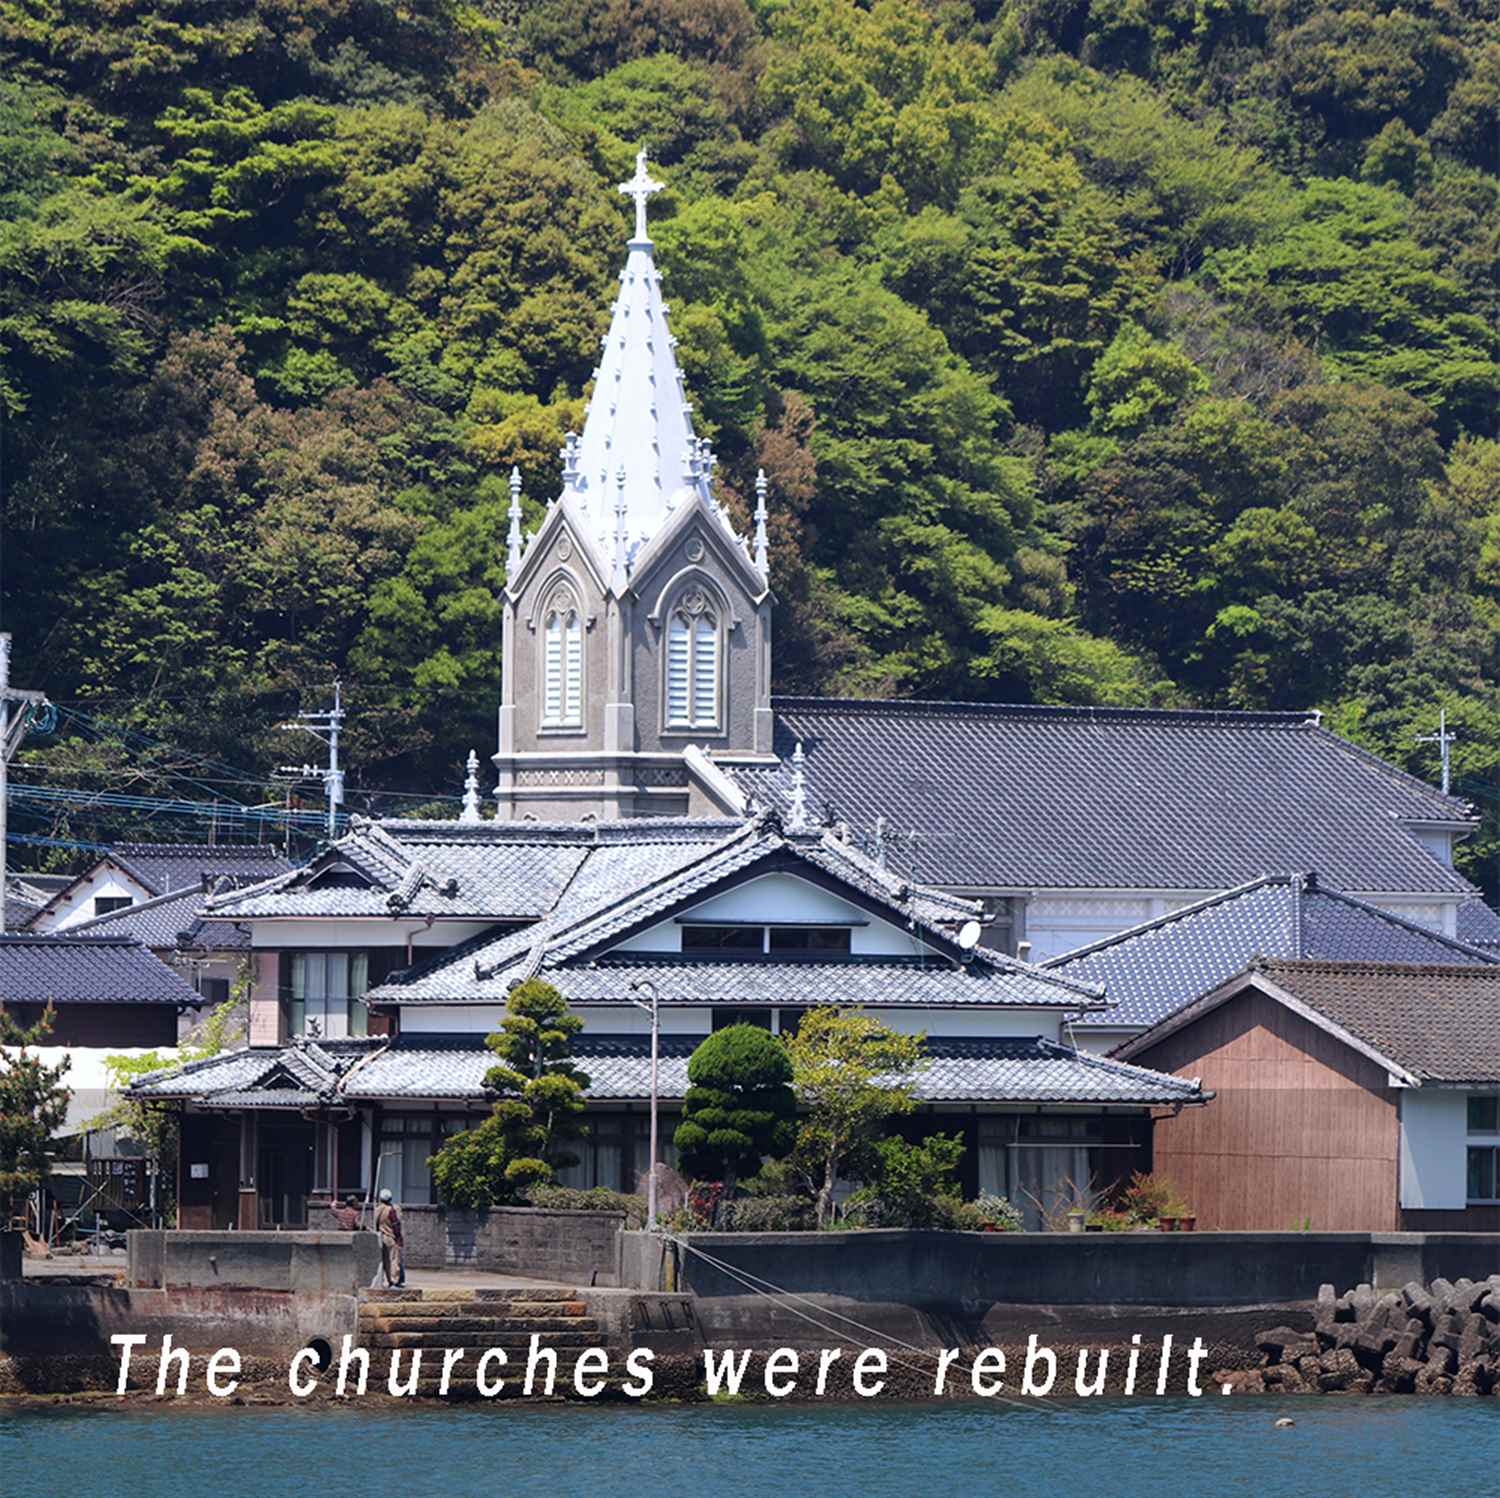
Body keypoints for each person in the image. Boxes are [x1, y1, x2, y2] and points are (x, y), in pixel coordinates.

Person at [375, 1188, 405, 1287]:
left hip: (381, 1237)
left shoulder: (377, 1209)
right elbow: (396, 1225)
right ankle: (393, 1281)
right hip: (390, 1237)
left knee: (384, 1260)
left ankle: (385, 1280)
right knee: (393, 1260)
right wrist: (399, 1238)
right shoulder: (391, 1210)